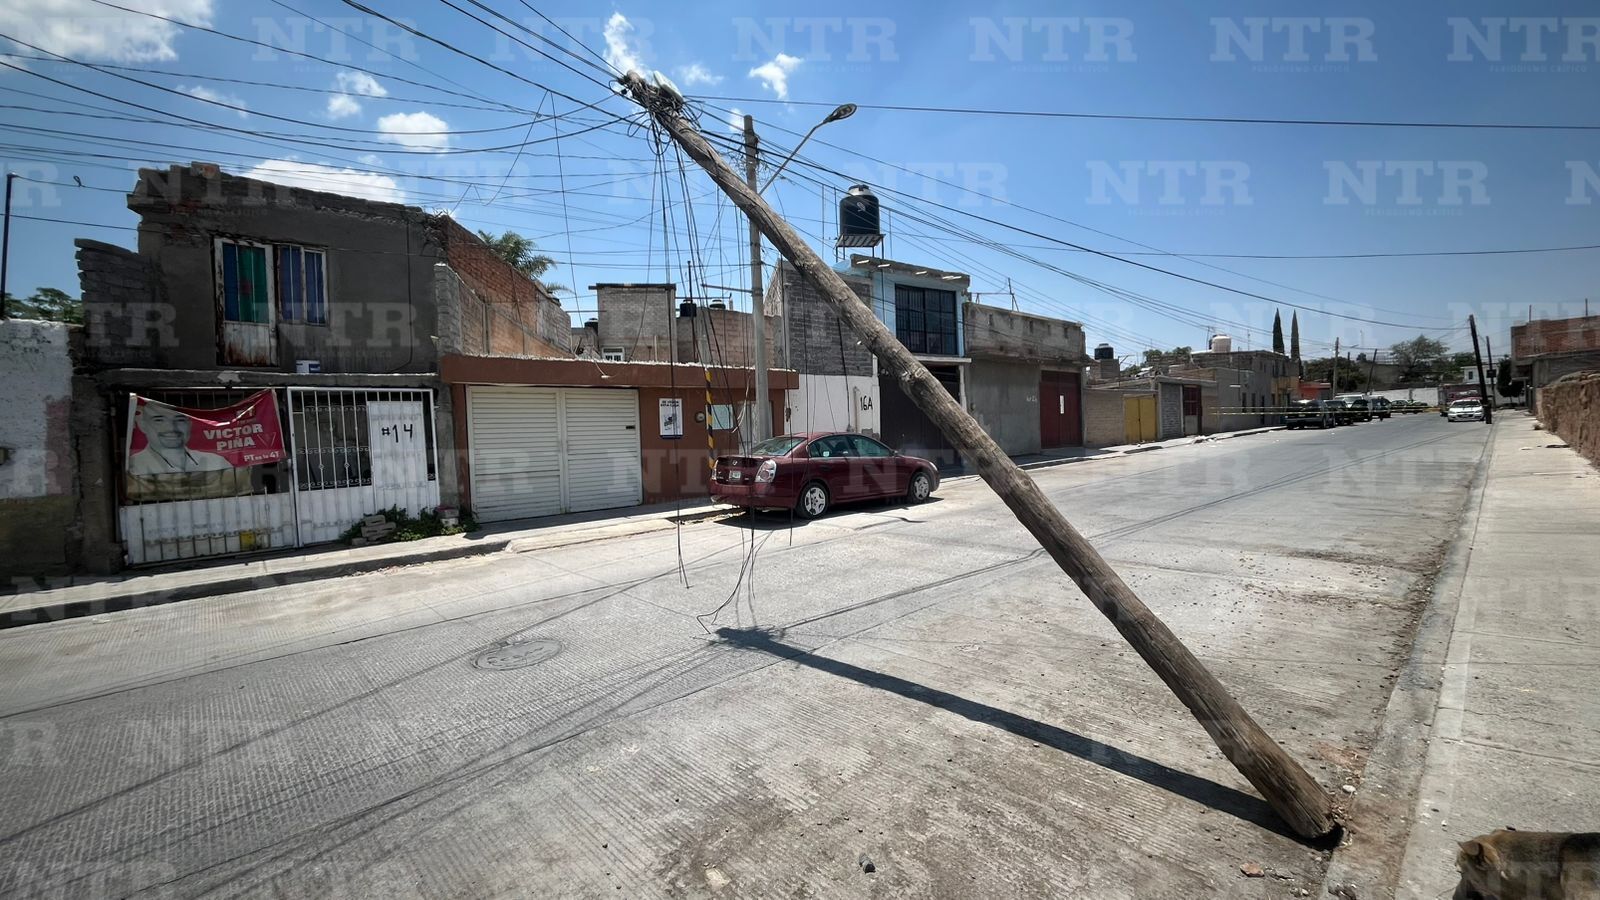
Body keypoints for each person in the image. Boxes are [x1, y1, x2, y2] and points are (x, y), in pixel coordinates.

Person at [127, 402, 233, 475]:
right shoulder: (133, 465)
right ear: (142, 425)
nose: (172, 428)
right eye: (159, 420)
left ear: (190, 424)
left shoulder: (216, 461)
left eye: (180, 420)